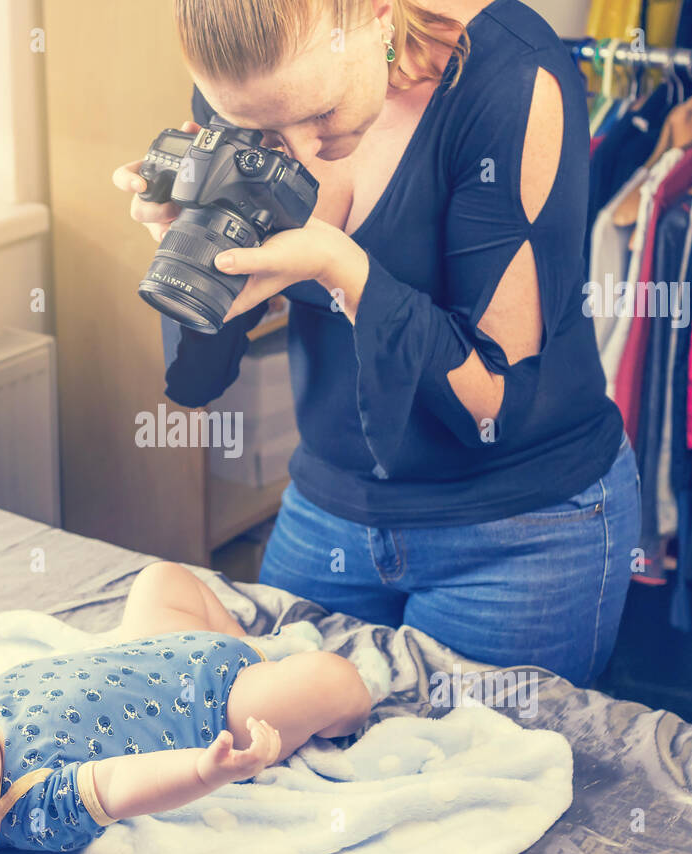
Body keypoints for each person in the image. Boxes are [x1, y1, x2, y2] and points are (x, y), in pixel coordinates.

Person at [112, 0, 640, 686]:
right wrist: (187, 253)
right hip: (329, 508)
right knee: (278, 766)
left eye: (319, 115)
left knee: (466, 785)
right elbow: (198, 379)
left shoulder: (513, 78)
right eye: (258, 129)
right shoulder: (251, 81)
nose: (297, 150)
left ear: (377, 16)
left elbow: (493, 409)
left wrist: (344, 271)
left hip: (516, 530)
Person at [0, 502, 372, 854]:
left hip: (144, 648)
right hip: (215, 708)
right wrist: (207, 769)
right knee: (330, 680)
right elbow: (120, 782)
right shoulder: (32, 806)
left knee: (161, 578)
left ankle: (252, 649)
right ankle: (304, 695)